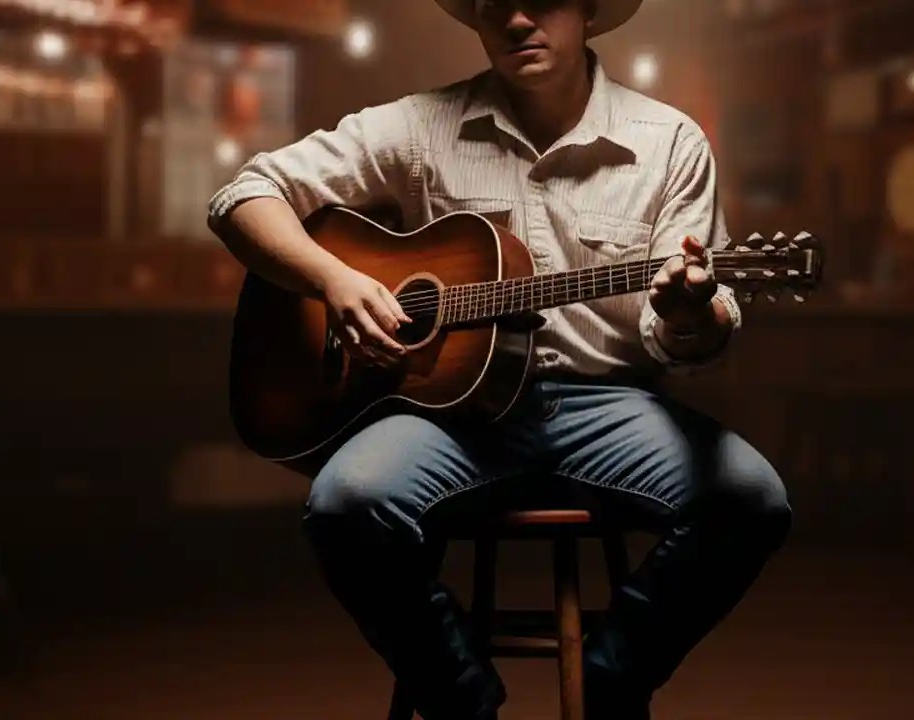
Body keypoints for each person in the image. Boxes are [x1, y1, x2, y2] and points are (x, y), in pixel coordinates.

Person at [206, 1, 790, 718]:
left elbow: (684, 343)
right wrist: (333, 279)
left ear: (588, 11)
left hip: (607, 406)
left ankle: (612, 675)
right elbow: (242, 196)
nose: (516, 19)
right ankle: (462, 697)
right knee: (343, 504)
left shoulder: (668, 141)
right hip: (453, 416)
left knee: (752, 501)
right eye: (492, 4)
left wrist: (686, 310)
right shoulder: (421, 125)